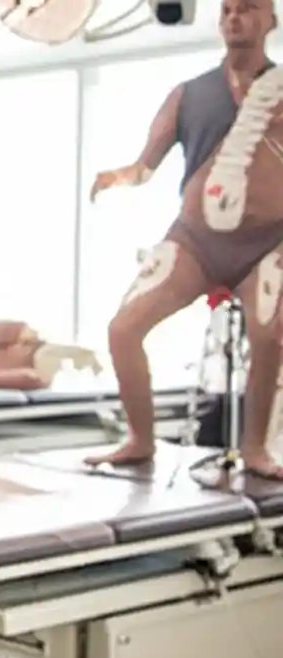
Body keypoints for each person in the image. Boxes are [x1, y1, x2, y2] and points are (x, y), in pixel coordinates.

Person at [87, 0, 283, 479]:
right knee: (123, 329)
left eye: (247, 9)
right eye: (227, 11)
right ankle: (139, 438)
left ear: (271, 20)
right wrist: (119, 176)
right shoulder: (188, 94)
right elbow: (145, 166)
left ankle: (256, 447)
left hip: (269, 242)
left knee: (269, 334)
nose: (235, 17)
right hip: (196, 241)